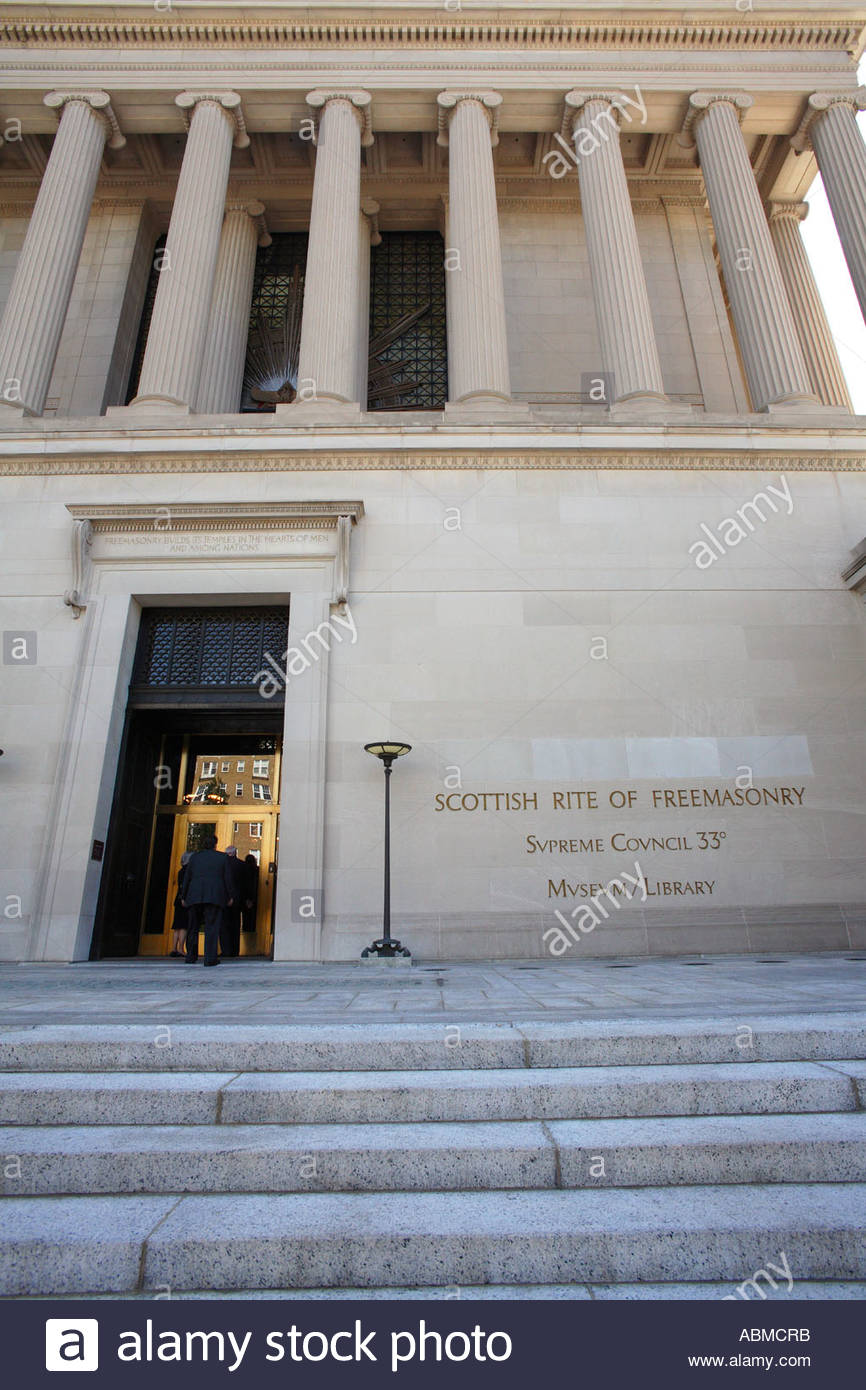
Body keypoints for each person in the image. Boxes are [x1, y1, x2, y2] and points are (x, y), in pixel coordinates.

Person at [180, 834, 235, 967]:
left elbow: (187, 877)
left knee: (193, 927)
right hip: (214, 896)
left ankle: (191, 956)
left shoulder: (194, 858)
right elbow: (227, 878)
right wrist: (231, 895)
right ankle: (210, 958)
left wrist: (183, 896)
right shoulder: (222, 858)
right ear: (215, 844)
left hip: (194, 895)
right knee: (212, 927)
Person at [221, 846, 246, 958]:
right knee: (235, 925)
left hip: (225, 898)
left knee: (224, 925)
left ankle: (226, 950)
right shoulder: (241, 865)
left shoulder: (223, 865)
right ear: (235, 853)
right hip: (238, 899)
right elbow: (245, 883)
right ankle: (235, 950)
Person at [168, 851, 193, 957]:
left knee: (177, 925)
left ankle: (174, 948)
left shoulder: (180, 871)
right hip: (184, 899)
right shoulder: (188, 871)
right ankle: (181, 948)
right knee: (183, 925)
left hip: (178, 899)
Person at [241, 853, 259, 936]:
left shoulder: (243, 870)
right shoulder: (257, 871)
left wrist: (247, 899)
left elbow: (244, 885)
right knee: (254, 919)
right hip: (256, 898)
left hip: (244, 898)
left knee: (246, 919)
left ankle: (246, 933)